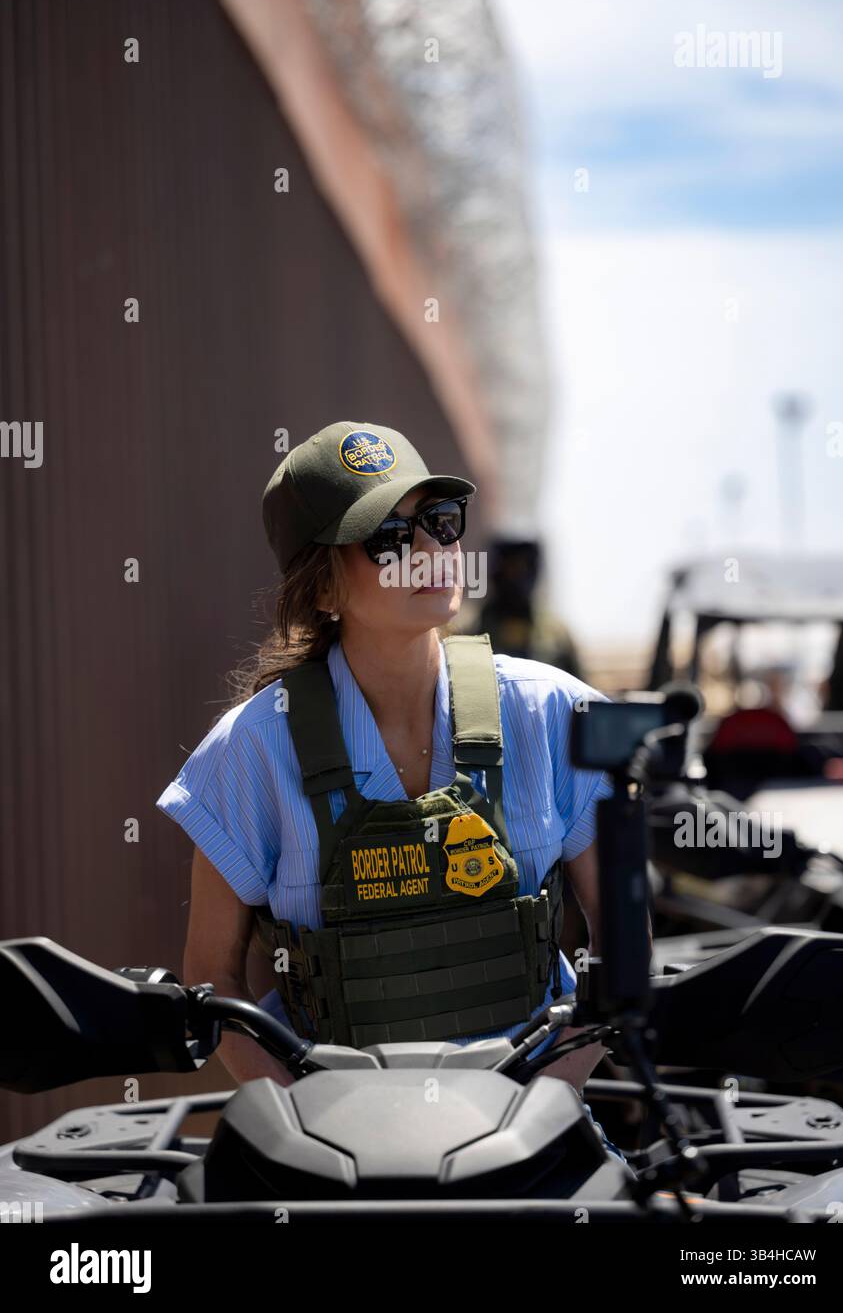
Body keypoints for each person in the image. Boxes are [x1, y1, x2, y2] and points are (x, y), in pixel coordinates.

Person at [157, 419, 628, 1164]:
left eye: (439, 523)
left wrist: (549, 1096)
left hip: (536, 1143)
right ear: (321, 584)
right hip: (329, 1163)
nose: (430, 553)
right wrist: (299, 1130)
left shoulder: (550, 715)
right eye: (386, 536)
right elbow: (211, 980)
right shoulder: (252, 751)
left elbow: (624, 945)